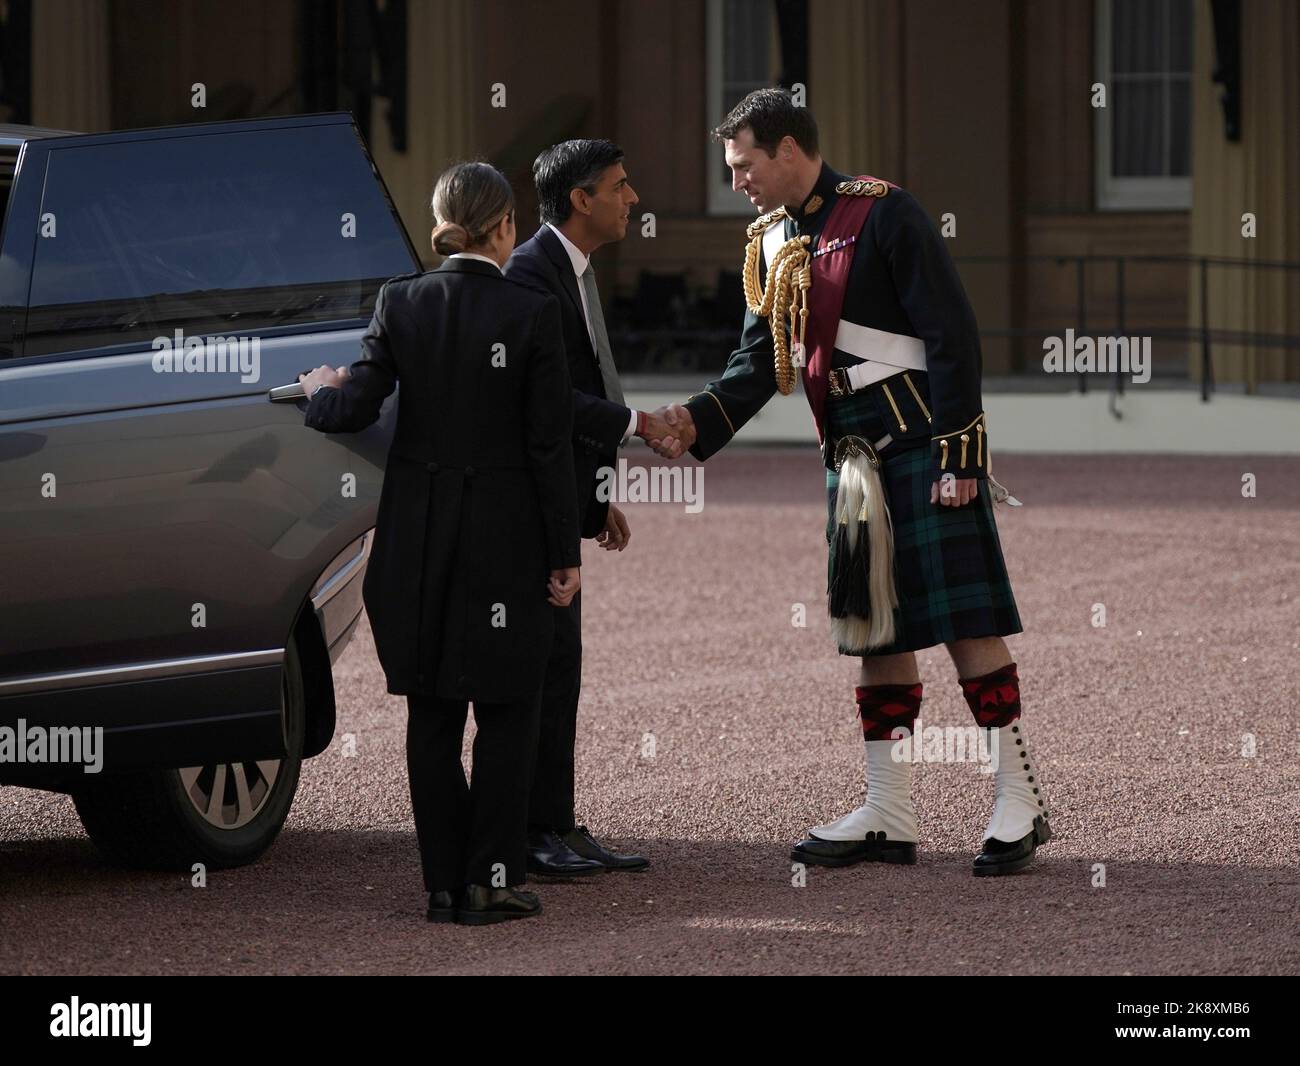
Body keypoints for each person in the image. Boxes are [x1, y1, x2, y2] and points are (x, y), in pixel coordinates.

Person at [651, 88, 1052, 876]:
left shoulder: (885, 213)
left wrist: (959, 453)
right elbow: (758, 362)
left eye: (744, 166)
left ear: (790, 150)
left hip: (919, 443)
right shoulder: (769, 241)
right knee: (875, 633)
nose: (737, 183)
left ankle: (1019, 796)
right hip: (851, 460)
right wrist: (696, 422)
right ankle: (889, 810)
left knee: (967, 621)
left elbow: (951, 332)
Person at [297, 161, 582, 923]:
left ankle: (443, 885)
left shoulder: (402, 301)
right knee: (508, 712)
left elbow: (355, 404)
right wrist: (566, 553)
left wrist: (320, 392)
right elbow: (549, 447)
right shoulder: (532, 310)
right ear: (504, 229)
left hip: (417, 541)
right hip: (505, 540)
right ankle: (490, 877)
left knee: (432, 715)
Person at [503, 140, 666, 876]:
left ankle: (556, 824)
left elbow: (578, 383)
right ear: (581, 199)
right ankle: (529, 832)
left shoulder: (569, 267)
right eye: (620, 186)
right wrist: (636, 427)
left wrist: (597, 501)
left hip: (558, 503)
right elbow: (547, 402)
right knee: (539, 667)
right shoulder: (534, 274)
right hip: (526, 514)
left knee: (560, 665)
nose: (632, 198)